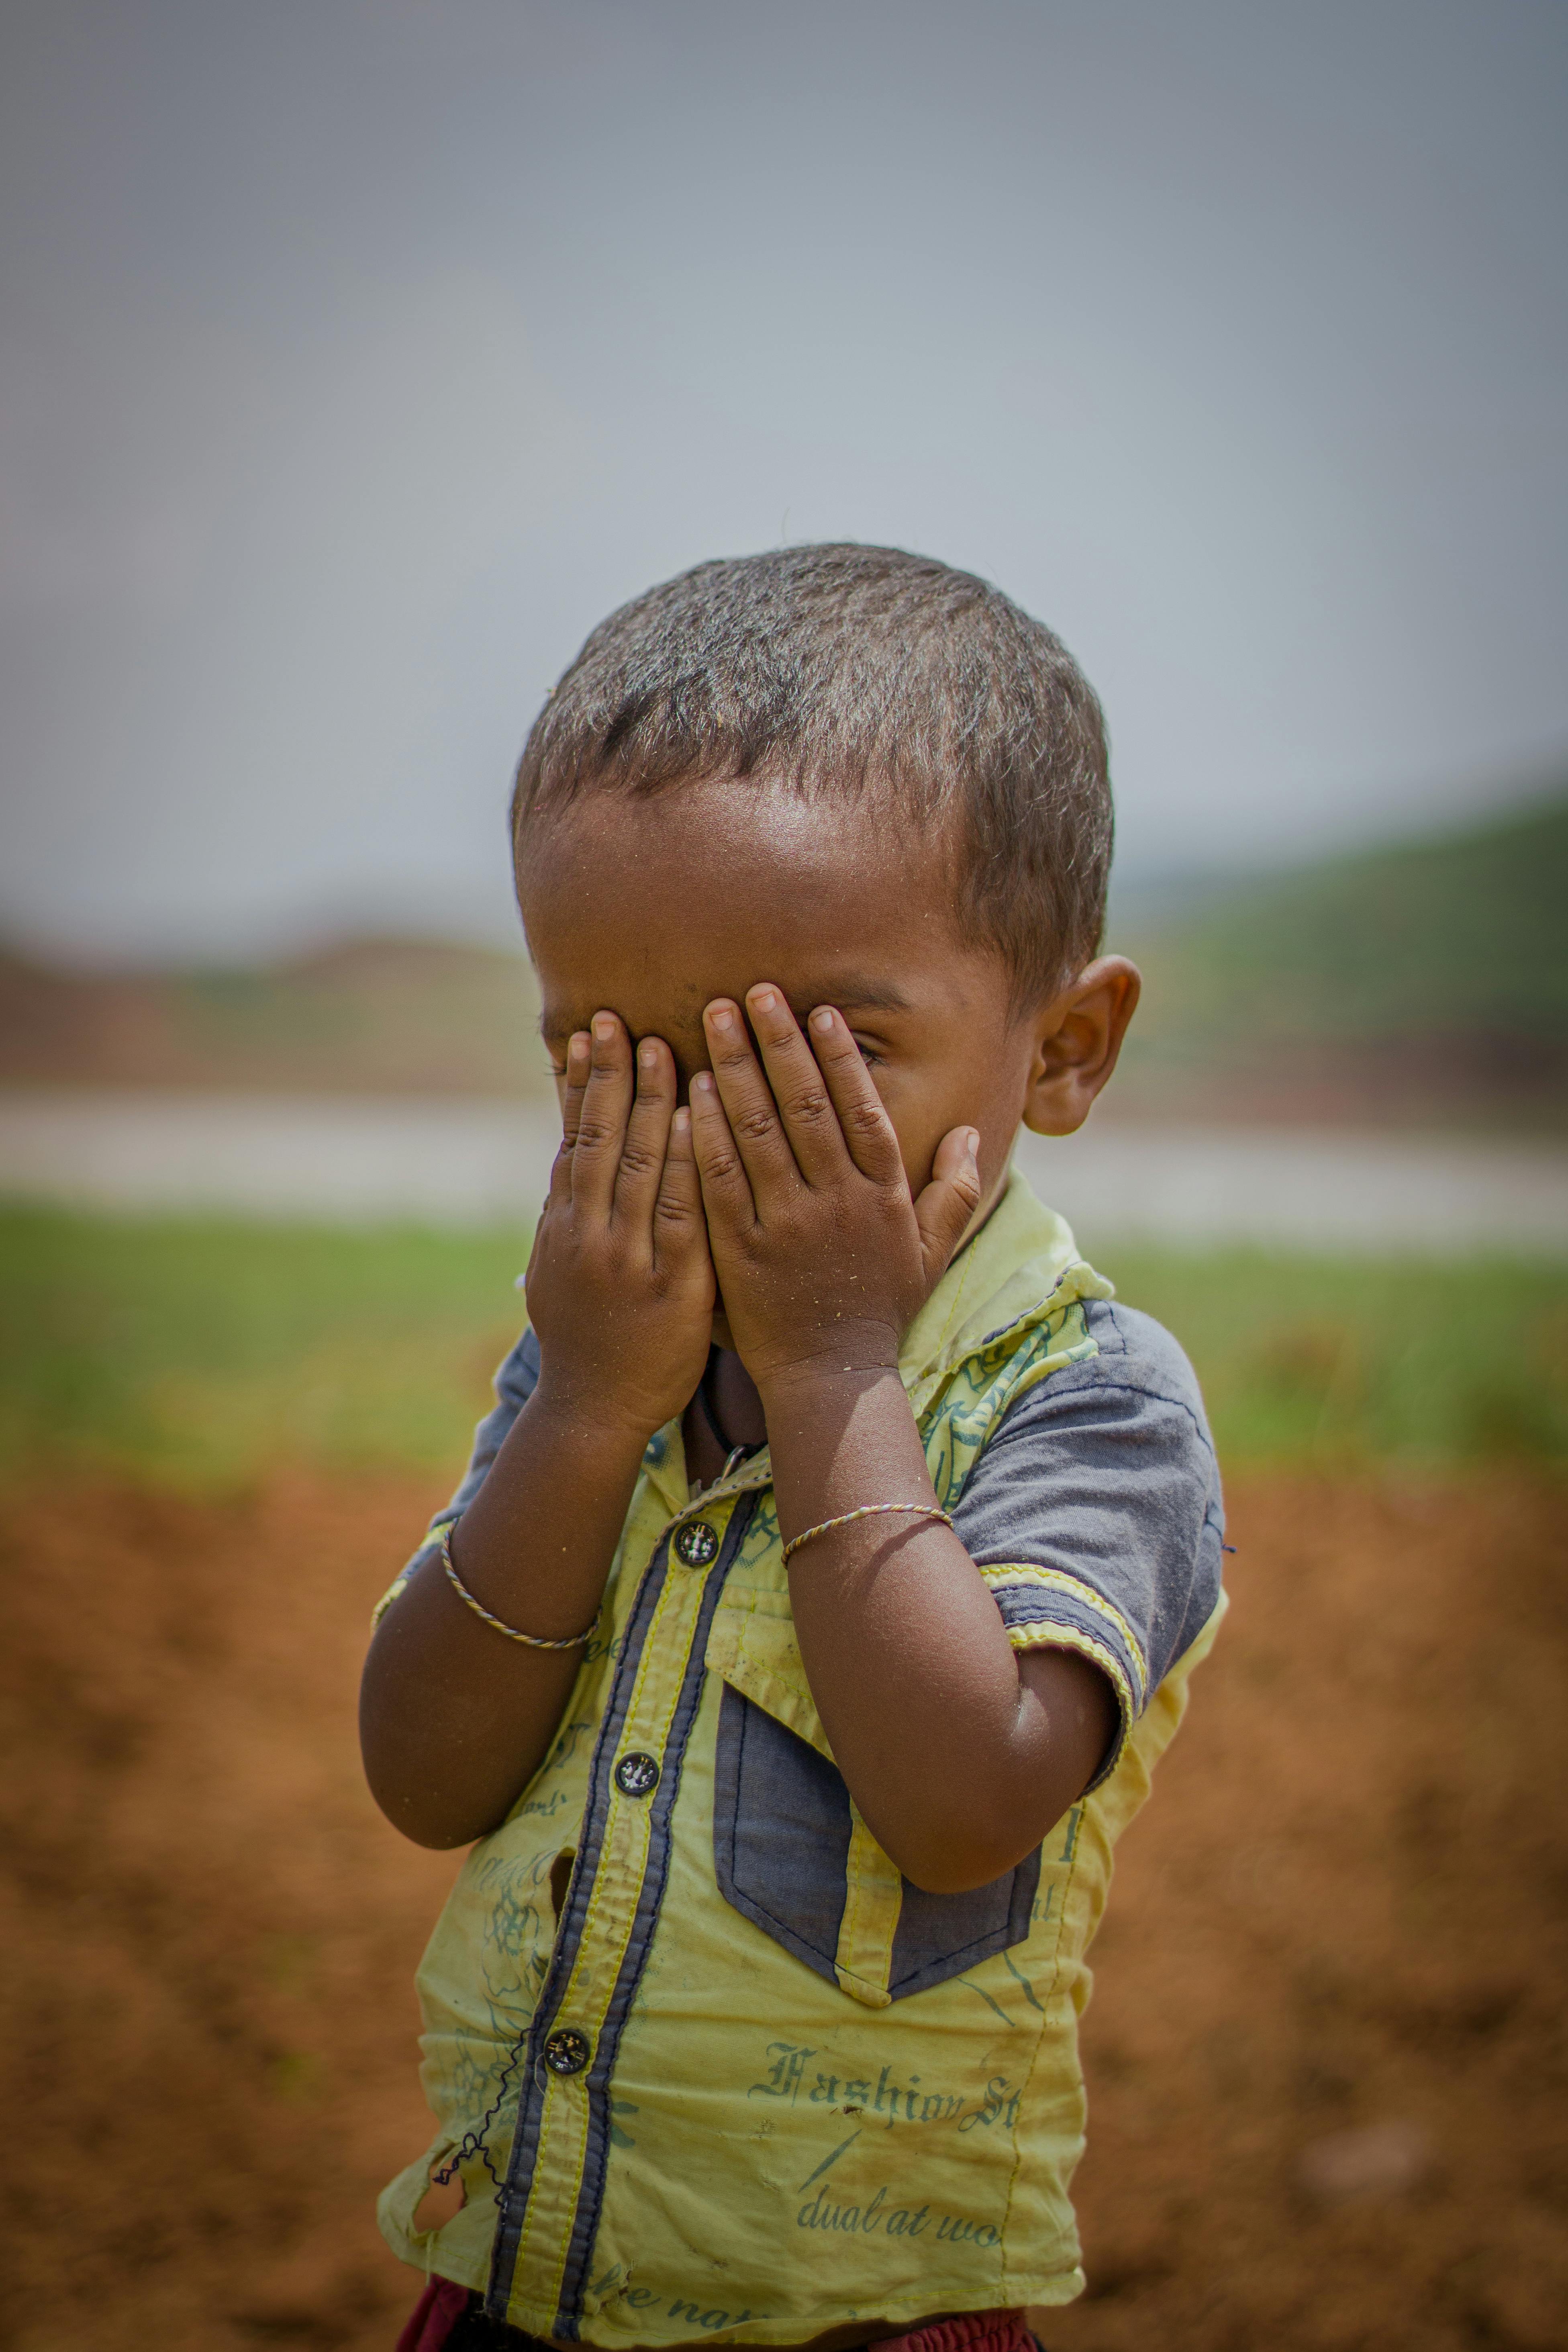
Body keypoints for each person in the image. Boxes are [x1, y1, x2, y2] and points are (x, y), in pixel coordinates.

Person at [360, 545, 1226, 2352]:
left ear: (1061, 1050)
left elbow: (964, 1801)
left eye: (816, 1062)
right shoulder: (600, 1369)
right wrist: (590, 1407)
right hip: (513, 2281)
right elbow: (423, 1772)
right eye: (618, 1067)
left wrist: (836, 1369)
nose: (710, 1145)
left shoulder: (1090, 1402)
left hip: (867, 2312)